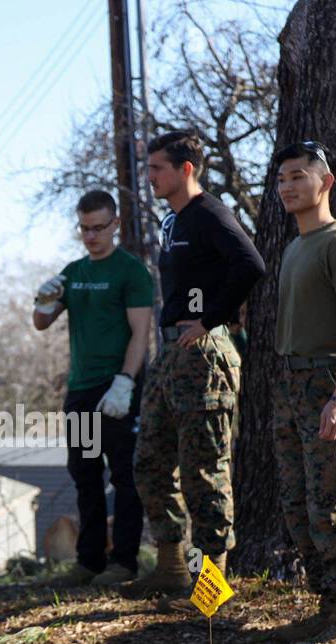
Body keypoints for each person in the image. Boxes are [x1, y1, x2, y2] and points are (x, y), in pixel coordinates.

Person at [128, 129, 265, 599]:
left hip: (204, 355)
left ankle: (213, 586)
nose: (149, 177)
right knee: (149, 460)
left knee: (204, 470)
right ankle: (170, 566)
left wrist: (209, 321)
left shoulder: (209, 214)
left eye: (157, 169)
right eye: (148, 169)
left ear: (185, 169)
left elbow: (251, 265)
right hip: (171, 354)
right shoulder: (174, 221)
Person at [267, 140, 336, 644]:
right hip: (292, 386)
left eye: (298, 176)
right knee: (299, 506)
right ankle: (330, 610)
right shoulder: (294, 246)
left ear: (326, 181)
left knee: (335, 504)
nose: (287, 186)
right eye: (282, 178)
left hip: (328, 384)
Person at [32, 190, 153, 587]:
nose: (91, 236)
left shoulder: (131, 271)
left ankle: (124, 562)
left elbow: (141, 333)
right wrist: (45, 299)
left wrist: (126, 381)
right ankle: (88, 562)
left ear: (115, 224)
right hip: (81, 391)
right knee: (85, 472)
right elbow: (40, 323)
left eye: (99, 227)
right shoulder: (74, 272)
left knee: (124, 475)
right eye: (85, 228)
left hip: (116, 389)